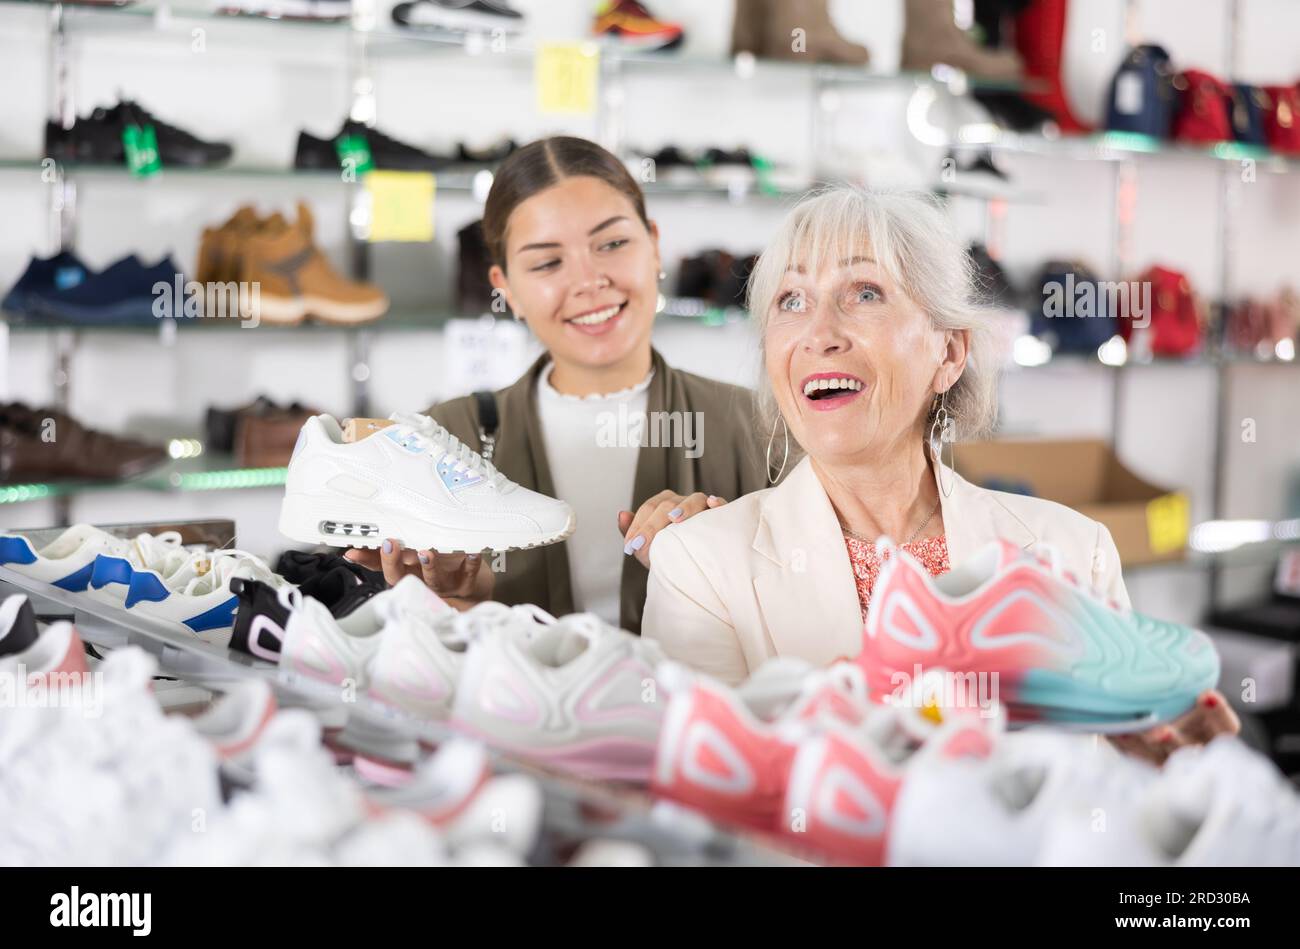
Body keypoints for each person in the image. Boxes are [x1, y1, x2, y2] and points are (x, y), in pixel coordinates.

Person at [642, 185, 1238, 763]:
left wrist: (1163, 772)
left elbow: (1104, 803)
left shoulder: (1075, 552)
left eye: (865, 293)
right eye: (790, 301)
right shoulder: (699, 564)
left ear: (949, 352)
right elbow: (709, 806)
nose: (818, 335)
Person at [348, 136, 768, 634]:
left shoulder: (761, 429)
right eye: (548, 262)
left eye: (612, 244)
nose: (589, 281)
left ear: (654, 245)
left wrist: (734, 563)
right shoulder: (444, 438)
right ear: (506, 289)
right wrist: (454, 606)